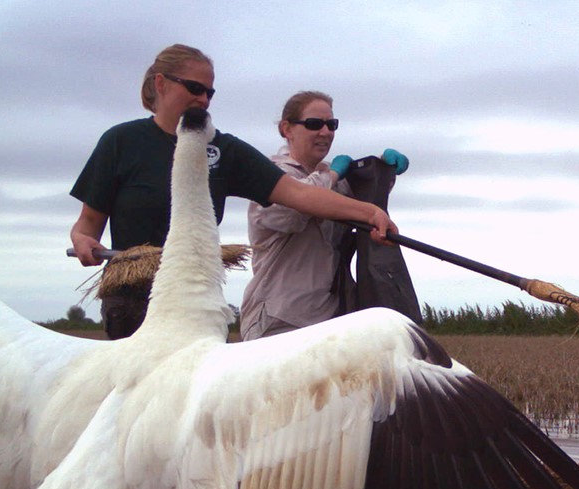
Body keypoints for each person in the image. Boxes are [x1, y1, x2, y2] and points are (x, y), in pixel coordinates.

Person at [68, 44, 394, 339]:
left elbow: (301, 195)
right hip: (132, 296)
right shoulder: (121, 142)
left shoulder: (225, 150)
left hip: (196, 294)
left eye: (210, 92)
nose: (204, 100)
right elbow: (87, 224)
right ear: (160, 84)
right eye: (195, 88)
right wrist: (82, 240)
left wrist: (370, 212)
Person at [239, 91, 410, 341]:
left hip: (328, 322)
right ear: (287, 129)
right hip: (279, 320)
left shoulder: (333, 180)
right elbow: (300, 205)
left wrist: (382, 170)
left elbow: (363, 205)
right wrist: (333, 175)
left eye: (331, 125)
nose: (325, 132)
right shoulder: (269, 178)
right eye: (314, 124)